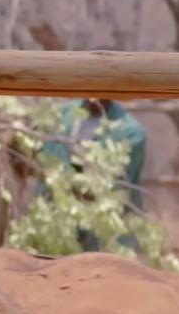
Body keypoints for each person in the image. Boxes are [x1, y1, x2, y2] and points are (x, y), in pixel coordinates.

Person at [40, 97, 148, 251]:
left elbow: (106, 189)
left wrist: (61, 181)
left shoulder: (130, 133)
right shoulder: (60, 117)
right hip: (51, 230)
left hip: (104, 241)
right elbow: (34, 160)